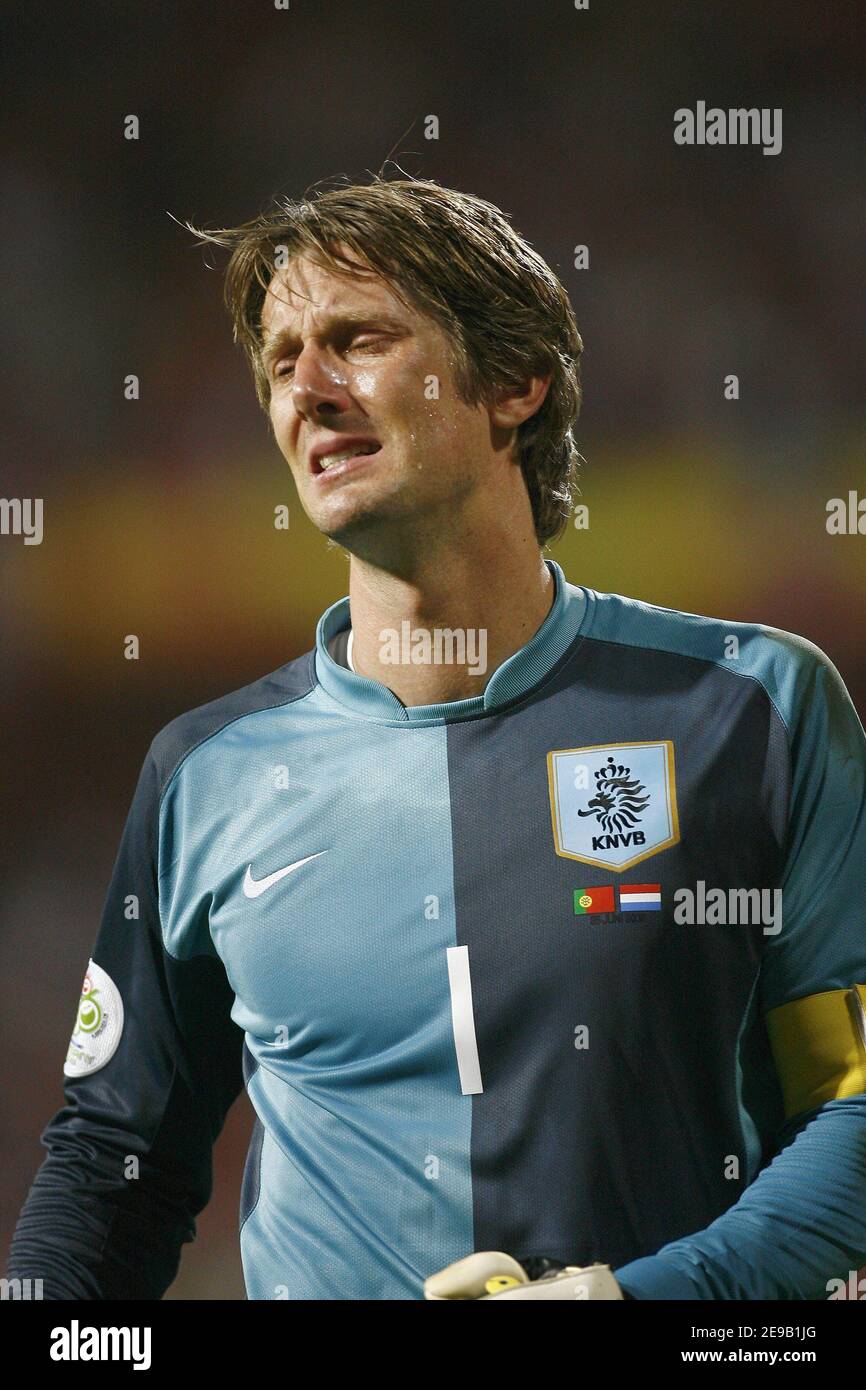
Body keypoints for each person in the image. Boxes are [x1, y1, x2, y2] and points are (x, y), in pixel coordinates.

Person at [8, 177, 866, 1300]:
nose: (306, 391)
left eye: (355, 340)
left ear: (514, 383)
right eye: (279, 361)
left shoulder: (749, 708)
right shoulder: (205, 774)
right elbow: (112, 1169)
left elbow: (850, 1100)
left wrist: (637, 1298)